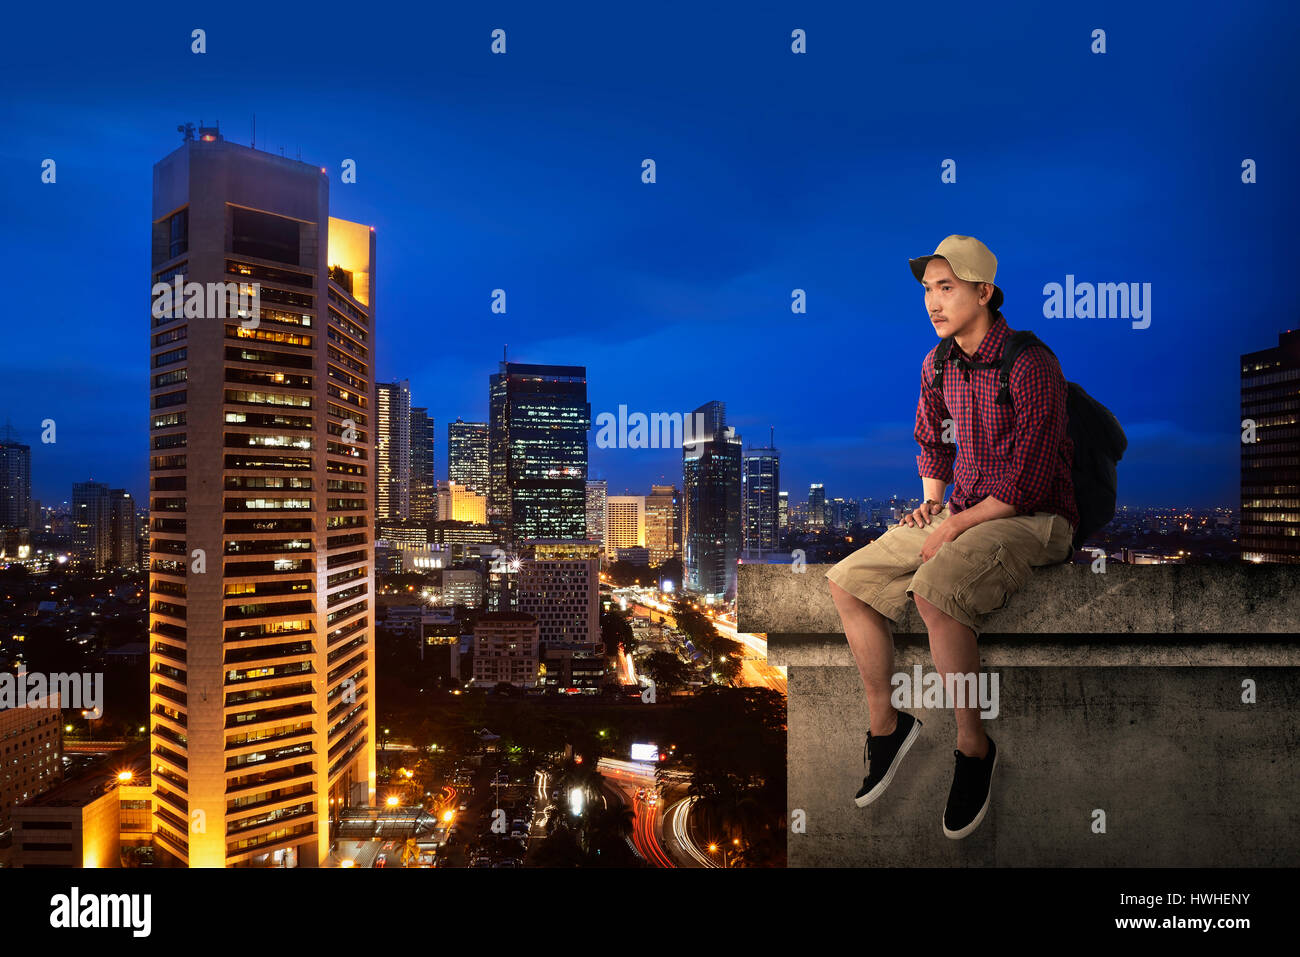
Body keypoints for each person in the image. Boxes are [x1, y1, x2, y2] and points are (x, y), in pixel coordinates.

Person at [825, 234, 1077, 839]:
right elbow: (933, 440)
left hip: (1034, 518)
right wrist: (934, 505)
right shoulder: (937, 363)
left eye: (947, 288)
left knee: (936, 589)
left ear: (984, 292)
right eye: (927, 291)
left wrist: (956, 527)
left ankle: (973, 748)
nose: (933, 303)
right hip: (963, 507)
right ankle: (888, 729)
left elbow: (1031, 478)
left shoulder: (1030, 362)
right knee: (849, 581)